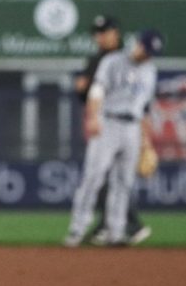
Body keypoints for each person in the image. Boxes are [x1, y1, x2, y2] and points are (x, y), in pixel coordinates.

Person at [65, 29, 163, 248]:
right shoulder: (113, 61)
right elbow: (97, 91)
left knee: (124, 182)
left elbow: (145, 108)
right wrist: (93, 117)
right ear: (137, 43)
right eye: (145, 49)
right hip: (108, 122)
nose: (146, 54)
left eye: (151, 52)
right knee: (93, 177)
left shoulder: (150, 71)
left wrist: (146, 142)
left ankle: (116, 232)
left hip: (133, 127)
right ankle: (77, 229)